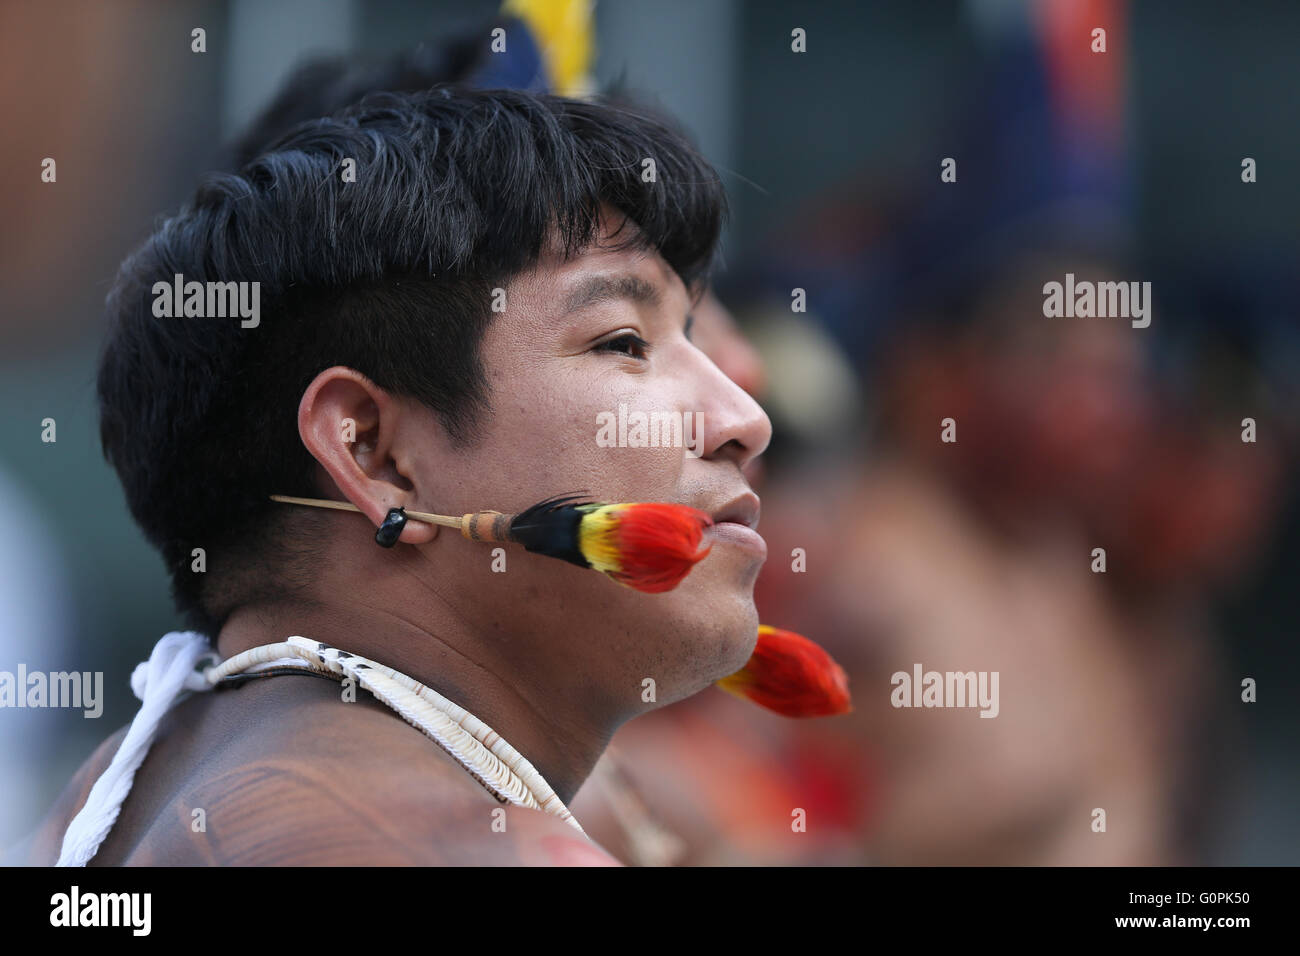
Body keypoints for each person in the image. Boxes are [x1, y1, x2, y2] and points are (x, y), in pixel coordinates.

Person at [11, 86, 770, 866]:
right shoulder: (459, 851)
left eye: (690, 335)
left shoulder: (110, 794)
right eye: (623, 341)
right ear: (372, 451)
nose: (744, 417)